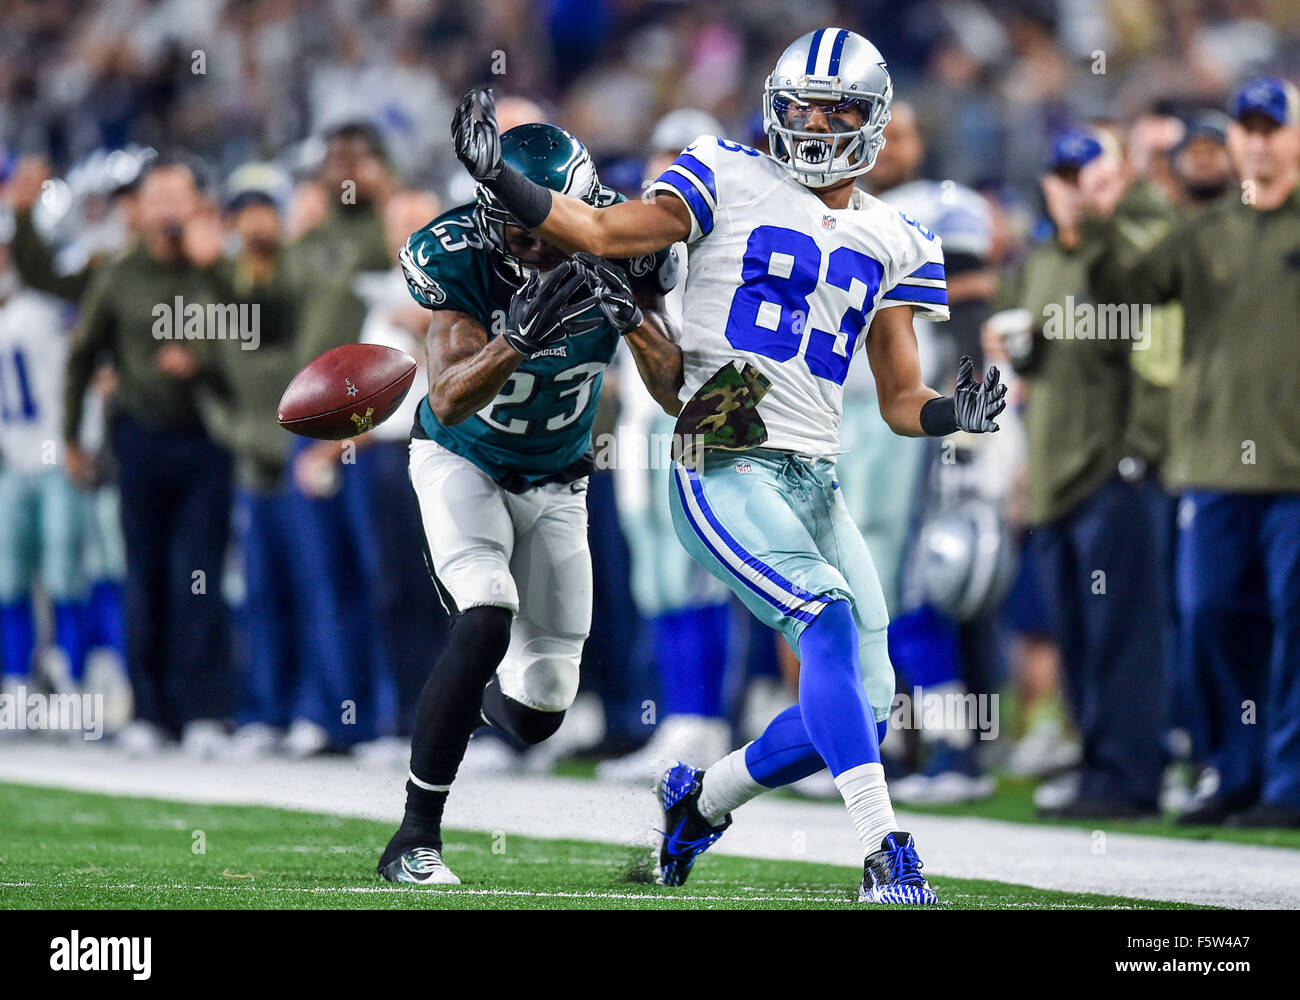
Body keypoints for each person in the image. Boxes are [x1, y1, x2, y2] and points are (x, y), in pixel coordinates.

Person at [452, 27, 1006, 904]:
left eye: (837, 109)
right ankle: (884, 850)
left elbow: (902, 402)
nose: (817, 123)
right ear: (775, 106)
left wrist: (951, 413)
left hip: (815, 475)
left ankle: (701, 803)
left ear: (875, 118)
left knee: (863, 704)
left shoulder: (902, 237)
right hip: (722, 451)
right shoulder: (724, 170)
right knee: (821, 620)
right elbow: (597, 228)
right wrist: (503, 180)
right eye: (803, 105)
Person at [376, 123, 680, 884]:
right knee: (487, 606)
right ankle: (414, 837)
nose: (533, 245)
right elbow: (445, 399)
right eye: (517, 226)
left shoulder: (626, 239)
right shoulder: (458, 253)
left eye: (548, 226)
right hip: (464, 460)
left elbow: (678, 392)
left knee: (542, 710)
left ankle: (452, 707)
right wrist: (516, 337)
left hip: (558, 478)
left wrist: (634, 319)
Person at [1086, 78, 1300, 828]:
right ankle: (1230, 771)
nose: (1260, 141)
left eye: (1273, 128)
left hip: (1293, 474)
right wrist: (1105, 218)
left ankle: (1288, 782)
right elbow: (1122, 293)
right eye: (1249, 129)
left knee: (1293, 621)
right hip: (1210, 465)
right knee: (1210, 616)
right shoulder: (1206, 231)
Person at [63, 155, 235, 754]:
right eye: (156, 194)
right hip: (139, 439)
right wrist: (68, 437)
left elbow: (258, 337)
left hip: (207, 439)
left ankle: (205, 712)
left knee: (201, 577)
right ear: (138, 207)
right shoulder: (118, 275)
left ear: (197, 203)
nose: (167, 205)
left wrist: (205, 351)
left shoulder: (219, 268)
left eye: (178, 194)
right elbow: (82, 356)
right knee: (146, 576)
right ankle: (150, 711)